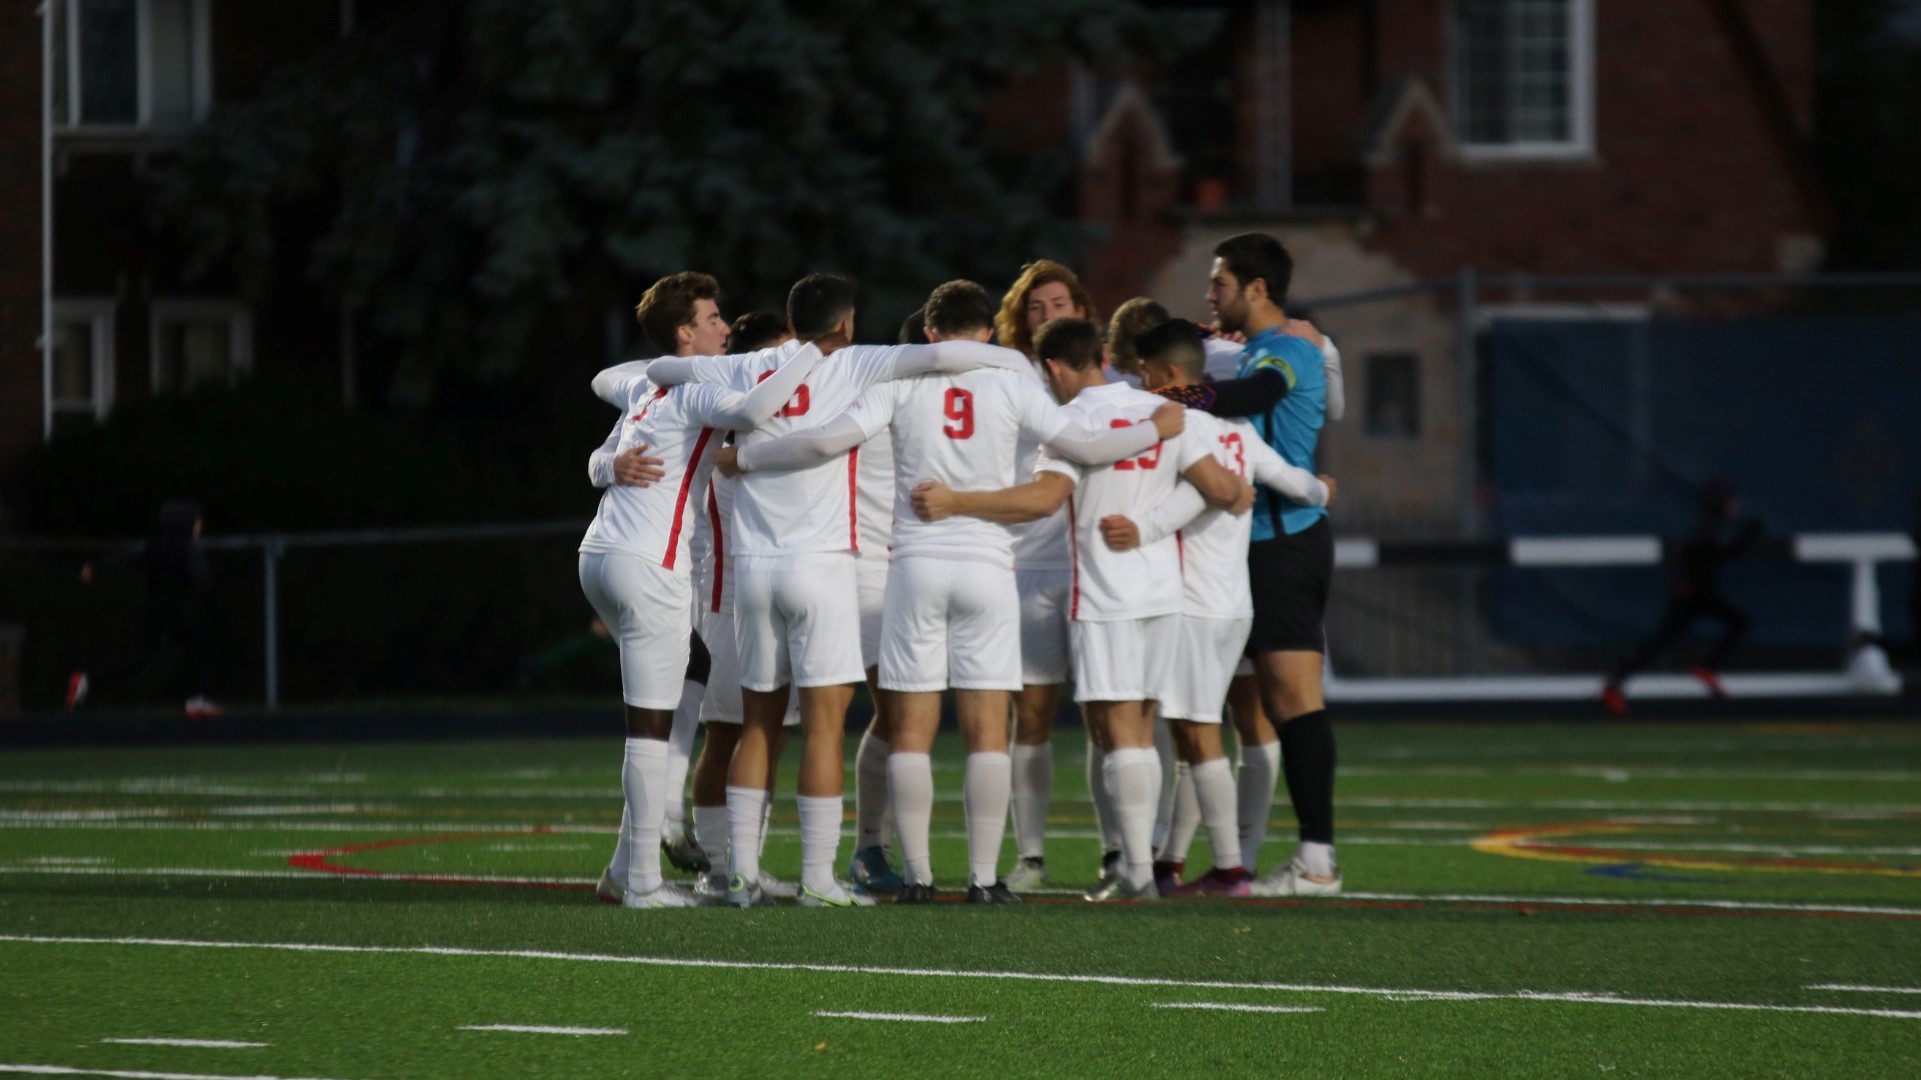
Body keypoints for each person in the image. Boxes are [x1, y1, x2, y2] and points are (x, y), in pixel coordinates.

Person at [721, 281, 1182, 904]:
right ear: (989, 331)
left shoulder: (898, 382)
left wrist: (746, 459)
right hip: (990, 564)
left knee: (909, 728)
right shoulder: (1015, 380)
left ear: (930, 334)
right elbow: (1090, 449)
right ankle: (986, 879)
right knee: (988, 730)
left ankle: (916, 877)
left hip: (913, 565)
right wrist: (1158, 426)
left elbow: (827, 440)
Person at [644, 272, 1039, 908]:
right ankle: (819, 880)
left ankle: (738, 874)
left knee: (755, 726)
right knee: (824, 728)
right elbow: (944, 353)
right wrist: (1014, 357)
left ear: (792, 318)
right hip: (823, 565)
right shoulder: (855, 363)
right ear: (847, 324)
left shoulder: (745, 367)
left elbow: (641, 375)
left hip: (750, 570)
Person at [910, 317, 1248, 901]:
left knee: (1120, 734)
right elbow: (1219, 488)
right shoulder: (1163, 410)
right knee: (1141, 727)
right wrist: (1158, 522)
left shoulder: (1071, 422)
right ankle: (1144, 866)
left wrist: (956, 502)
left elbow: (1043, 500)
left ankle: (1138, 872)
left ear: (1055, 368)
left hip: (1103, 594)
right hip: (1164, 590)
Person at [576, 302, 827, 908]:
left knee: (689, 669)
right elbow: (749, 408)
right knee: (650, 729)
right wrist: (812, 350)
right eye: (713, 318)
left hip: (601, 553)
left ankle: (622, 866)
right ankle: (642, 875)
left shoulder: (646, 386)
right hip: (648, 564)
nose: (726, 328)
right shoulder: (688, 390)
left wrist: (614, 461)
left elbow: (598, 443)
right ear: (686, 332)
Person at [1097, 320, 1336, 896]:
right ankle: (1176, 861)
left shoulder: (1186, 428)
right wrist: (1325, 491)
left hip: (1194, 603)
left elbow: (1198, 493)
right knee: (1199, 731)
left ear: (1171, 373)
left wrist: (1142, 527)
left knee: (1196, 734)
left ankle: (1228, 868)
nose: (1143, 382)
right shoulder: (1240, 431)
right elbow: (1290, 482)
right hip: (1236, 604)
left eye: (1148, 372)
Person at [1204, 233, 1343, 897]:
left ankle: (1317, 862)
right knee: (1264, 707)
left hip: (1283, 543)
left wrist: (1168, 394)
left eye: (1220, 284)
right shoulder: (1265, 346)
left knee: (1294, 701)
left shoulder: (1282, 351)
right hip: (1261, 544)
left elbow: (1251, 397)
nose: (1211, 297)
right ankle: (1249, 860)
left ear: (1256, 288)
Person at [991, 260, 1107, 892]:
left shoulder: (1110, 382)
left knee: (1110, 716)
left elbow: (1185, 395)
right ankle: (1030, 857)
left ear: (1081, 310)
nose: (1047, 316)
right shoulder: (1010, 378)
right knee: (1031, 715)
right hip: (1029, 563)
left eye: (1058, 304)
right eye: (1035, 308)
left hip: (1101, 569)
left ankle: (1121, 854)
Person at [1602, 478, 1762, 716]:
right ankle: (1615, 684)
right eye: (1731, 502)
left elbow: (1717, 555)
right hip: (1692, 596)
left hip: (1700, 595)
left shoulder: (1712, 527)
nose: (1735, 506)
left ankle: (1705, 668)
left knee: (1735, 624)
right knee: (1661, 642)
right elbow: (1710, 555)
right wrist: (1748, 537)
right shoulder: (1707, 529)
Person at [66, 499, 221, 722]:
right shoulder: (188, 550)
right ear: (185, 525)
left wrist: (95, 566)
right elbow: (203, 579)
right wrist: (203, 581)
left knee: (143, 661)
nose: (199, 528)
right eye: (196, 523)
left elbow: (126, 557)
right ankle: (197, 700)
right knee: (196, 647)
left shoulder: (155, 547)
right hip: (171, 615)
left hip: (155, 613)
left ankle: (87, 681)